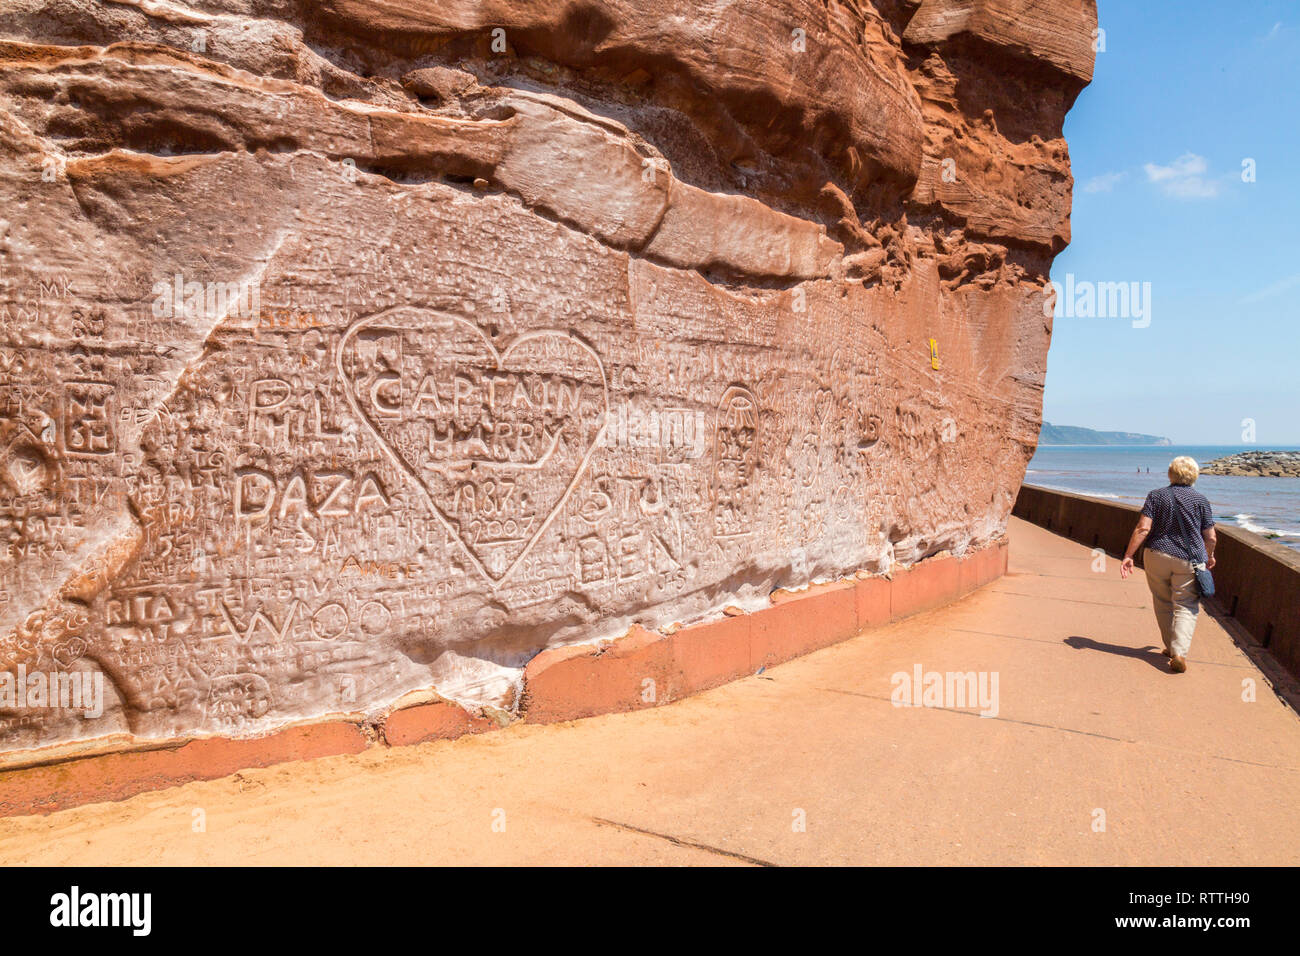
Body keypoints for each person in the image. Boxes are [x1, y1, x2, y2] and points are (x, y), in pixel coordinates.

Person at [1119, 456, 1216, 673]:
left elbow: (1143, 528)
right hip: (1188, 560)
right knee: (1185, 604)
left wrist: (1128, 555)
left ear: (1171, 474)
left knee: (1162, 601)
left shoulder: (1156, 496)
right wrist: (1209, 556)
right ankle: (1179, 652)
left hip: (1156, 555)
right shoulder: (1201, 500)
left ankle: (1171, 648)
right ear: (1194, 475)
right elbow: (1210, 537)